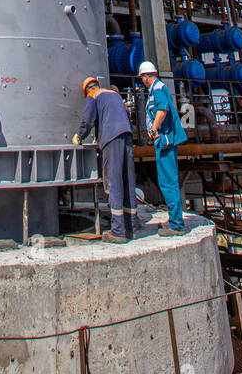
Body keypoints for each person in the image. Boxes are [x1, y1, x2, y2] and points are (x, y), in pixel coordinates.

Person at [72, 76, 138, 243]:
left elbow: (88, 120)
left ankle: (117, 231)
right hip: (127, 137)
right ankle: (132, 228)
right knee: (128, 180)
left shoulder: (93, 96)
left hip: (111, 139)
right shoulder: (114, 94)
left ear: (87, 90)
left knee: (114, 181)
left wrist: (79, 137)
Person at [137, 61, 187, 234]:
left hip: (166, 140)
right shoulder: (155, 90)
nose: (142, 80)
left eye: (142, 77)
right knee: (167, 180)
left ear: (146, 76)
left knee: (168, 181)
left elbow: (162, 110)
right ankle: (175, 220)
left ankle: (177, 225)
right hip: (163, 141)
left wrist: (153, 128)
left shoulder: (158, 89)